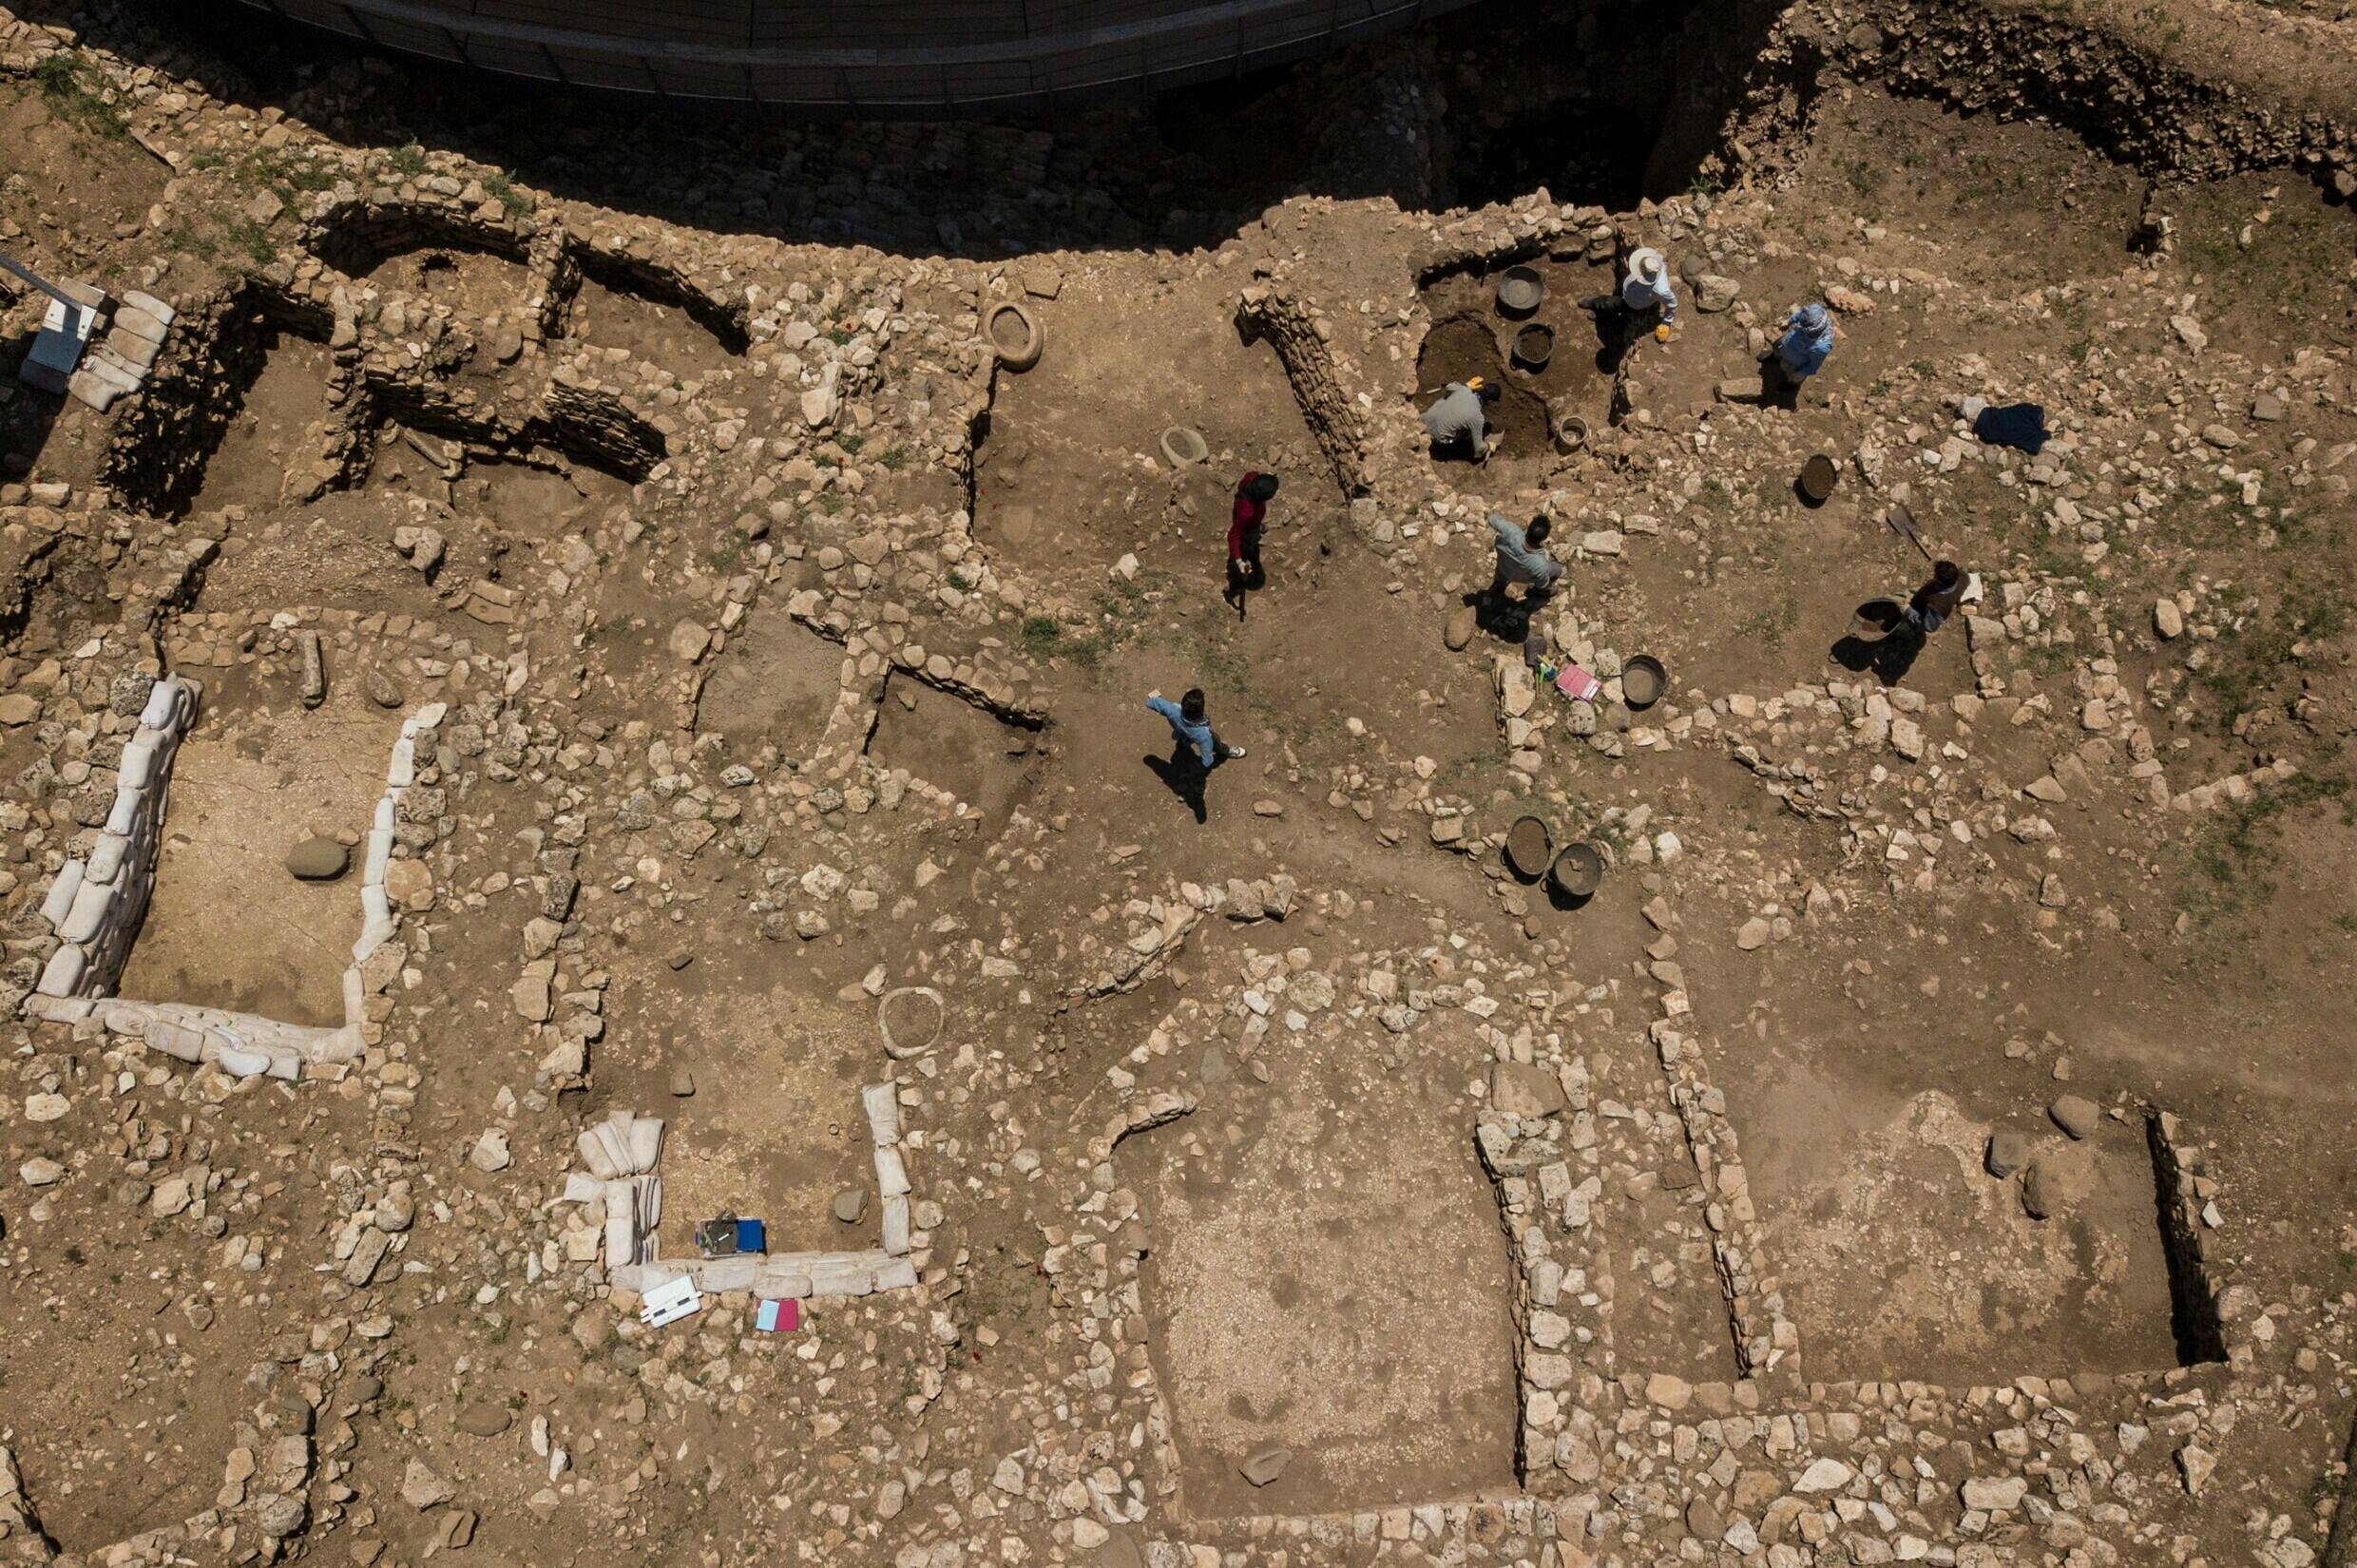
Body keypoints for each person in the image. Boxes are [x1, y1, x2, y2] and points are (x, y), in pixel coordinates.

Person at [1146, 687, 1245, 820]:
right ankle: (1225, 752)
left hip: (1181, 733)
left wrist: (1157, 700)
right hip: (1198, 735)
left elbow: (1150, 703)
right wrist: (1204, 763)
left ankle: (1183, 751)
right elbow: (1207, 761)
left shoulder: (1171, 709)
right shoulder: (1204, 736)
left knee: (1182, 745)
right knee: (1216, 743)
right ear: (1201, 712)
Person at [1486, 511, 1563, 616]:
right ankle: (1539, 593)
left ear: (1529, 528)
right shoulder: (1540, 564)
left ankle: (1498, 585)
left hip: (1503, 567)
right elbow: (1542, 584)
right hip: (1523, 577)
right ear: (1544, 538)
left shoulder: (1511, 532)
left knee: (1501, 575)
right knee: (1557, 568)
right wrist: (1542, 587)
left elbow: (1492, 519)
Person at [1226, 471, 1279, 600]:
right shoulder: (1246, 512)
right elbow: (1233, 535)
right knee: (1248, 553)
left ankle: (1256, 530)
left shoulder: (1252, 477)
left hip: (1252, 523)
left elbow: (1245, 481)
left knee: (1252, 542)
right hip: (1248, 530)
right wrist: (1238, 560)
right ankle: (1243, 577)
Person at [1422, 377, 1503, 461]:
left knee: (1446, 398)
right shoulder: (1477, 417)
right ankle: (1448, 449)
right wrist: (1489, 446)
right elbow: (1478, 448)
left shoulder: (1463, 390)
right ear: (1489, 401)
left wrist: (1467, 386)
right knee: (1469, 430)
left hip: (1423, 421)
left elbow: (1447, 386)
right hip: (1436, 437)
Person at [1768, 302, 1833, 388]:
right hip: (1786, 342)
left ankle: (1791, 384)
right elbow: (1801, 314)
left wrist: (1803, 372)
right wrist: (1789, 321)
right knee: (1777, 346)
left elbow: (1814, 364)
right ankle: (1774, 357)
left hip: (1795, 362)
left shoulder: (1821, 346)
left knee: (1793, 376)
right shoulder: (1813, 312)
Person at [1904, 560, 1969, 634]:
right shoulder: (1963, 576)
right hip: (1924, 598)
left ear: (1940, 582)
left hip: (1918, 609)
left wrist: (1908, 610)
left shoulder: (1937, 605)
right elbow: (1966, 577)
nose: (1933, 576)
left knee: (1898, 599)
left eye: (1935, 576)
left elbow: (1929, 626)